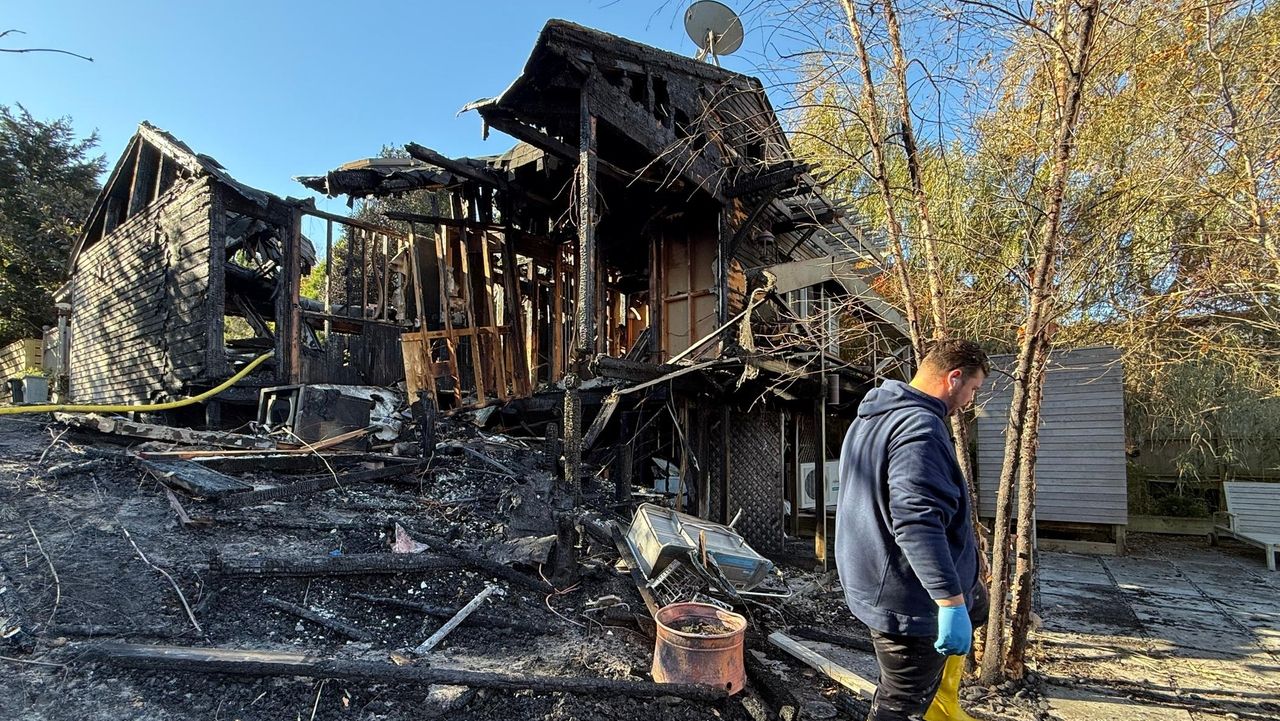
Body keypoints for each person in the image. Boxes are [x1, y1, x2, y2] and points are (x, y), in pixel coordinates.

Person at [835, 339, 990, 721]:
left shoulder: (872, 417)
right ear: (954, 378)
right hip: (911, 598)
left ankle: (939, 706)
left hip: (880, 580)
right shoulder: (919, 428)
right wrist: (950, 602)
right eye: (972, 389)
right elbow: (916, 521)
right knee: (900, 704)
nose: (969, 401)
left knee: (907, 688)